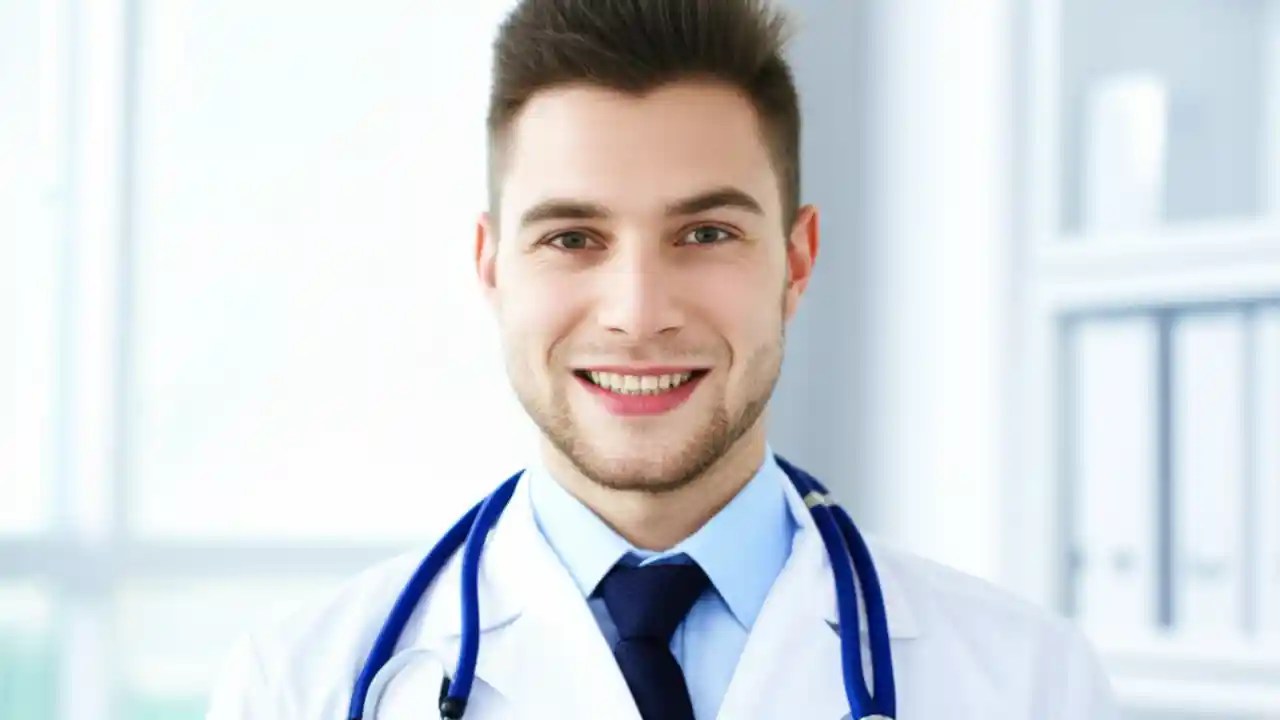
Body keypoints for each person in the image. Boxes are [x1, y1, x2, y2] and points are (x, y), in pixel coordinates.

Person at [206, 1, 1118, 718]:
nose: (639, 313)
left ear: (796, 262)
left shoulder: (1023, 684)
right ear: (492, 269)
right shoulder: (300, 689)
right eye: (572, 238)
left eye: (706, 232)